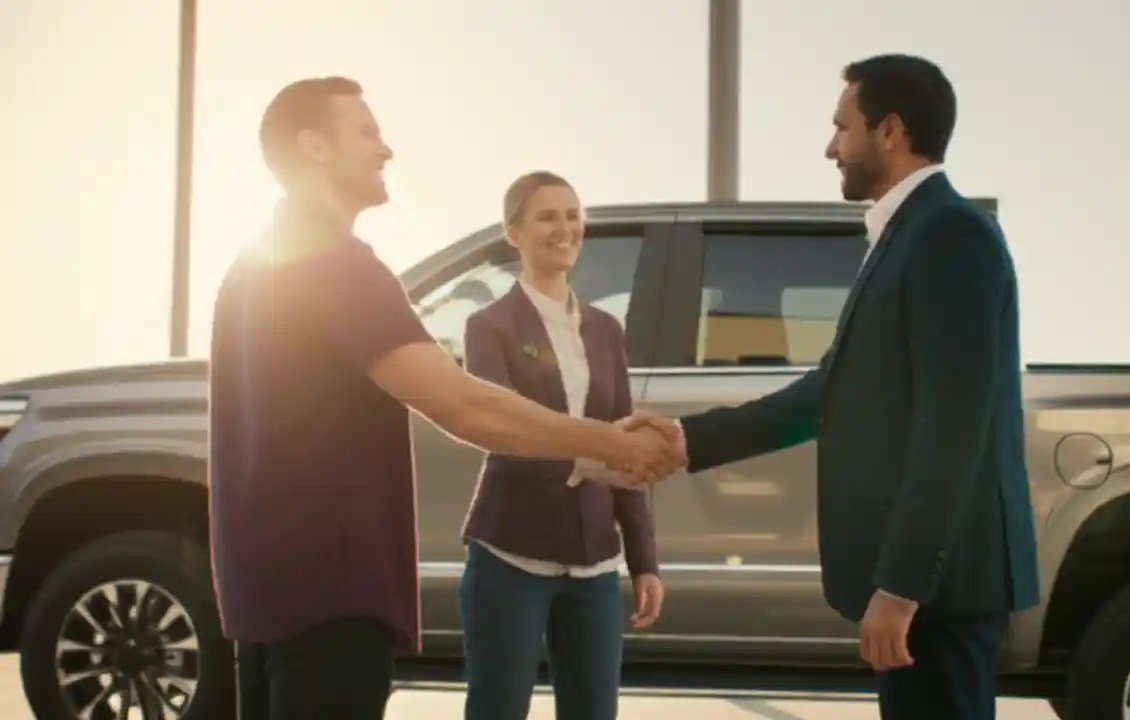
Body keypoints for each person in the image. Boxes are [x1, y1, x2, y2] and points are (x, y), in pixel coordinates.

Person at [208, 77, 682, 720]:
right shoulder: (338, 266)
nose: (385, 150)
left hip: (266, 597)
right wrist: (610, 442)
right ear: (313, 147)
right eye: (367, 133)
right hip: (330, 598)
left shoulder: (250, 268)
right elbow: (465, 405)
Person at [626, 54, 1040, 720]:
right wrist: (685, 438)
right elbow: (831, 393)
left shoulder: (948, 233)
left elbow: (953, 426)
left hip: (940, 593)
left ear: (890, 130)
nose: (830, 148)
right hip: (928, 593)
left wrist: (901, 587)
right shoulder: (909, 234)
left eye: (842, 127)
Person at [456, 170, 663, 720]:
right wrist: (587, 459)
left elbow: (623, 442)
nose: (564, 228)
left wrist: (643, 560)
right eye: (546, 216)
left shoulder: (606, 330)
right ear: (514, 233)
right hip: (510, 552)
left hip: (594, 564)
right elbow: (500, 431)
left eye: (572, 215)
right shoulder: (488, 326)